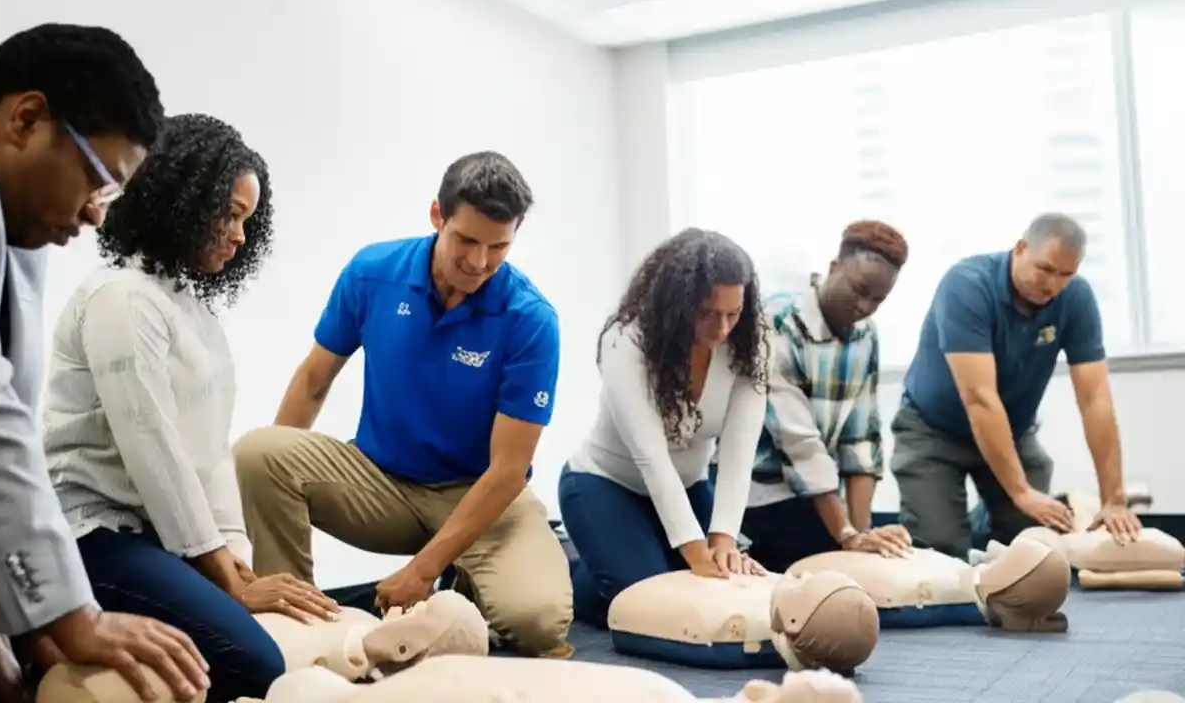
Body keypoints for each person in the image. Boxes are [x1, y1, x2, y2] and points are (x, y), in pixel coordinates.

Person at [0, 24, 209, 702]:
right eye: (98, 181)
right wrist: (72, 617)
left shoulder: (9, 216)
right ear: (27, 119)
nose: (98, 217)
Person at [40, 113, 338, 702]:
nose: (239, 235)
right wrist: (224, 579)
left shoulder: (194, 313)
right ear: (181, 198)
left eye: (248, 220)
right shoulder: (121, 298)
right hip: (91, 534)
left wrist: (238, 560)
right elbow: (157, 455)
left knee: (256, 640)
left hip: (153, 535)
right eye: (229, 212)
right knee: (251, 660)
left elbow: (208, 456)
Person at [232, 151, 573, 658]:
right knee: (260, 452)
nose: (479, 262)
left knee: (539, 622)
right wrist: (269, 484)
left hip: (479, 492)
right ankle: (296, 625)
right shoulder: (373, 273)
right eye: (467, 240)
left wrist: (423, 570)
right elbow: (312, 381)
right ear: (438, 216)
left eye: (498, 247)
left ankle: (465, 583)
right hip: (381, 484)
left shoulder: (529, 318)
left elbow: (508, 469)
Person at [892, 213, 1142, 561]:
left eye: (1065, 274)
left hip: (1011, 429)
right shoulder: (967, 285)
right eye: (1045, 269)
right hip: (934, 431)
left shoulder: (1076, 299)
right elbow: (979, 398)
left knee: (1032, 544)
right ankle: (974, 521)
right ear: (1021, 248)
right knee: (942, 550)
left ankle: (990, 519)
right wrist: (1020, 491)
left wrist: (1113, 500)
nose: (1052, 285)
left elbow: (1094, 398)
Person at [558, 228, 770, 628]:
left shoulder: (750, 344)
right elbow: (650, 458)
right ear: (678, 304)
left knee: (723, 577)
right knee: (652, 601)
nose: (722, 328)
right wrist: (695, 554)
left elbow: (740, 453)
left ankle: (620, 554)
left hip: (688, 489)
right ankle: (564, 575)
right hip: (604, 483)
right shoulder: (626, 339)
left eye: (733, 313)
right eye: (707, 313)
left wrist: (722, 540)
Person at [741, 221, 914, 573]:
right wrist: (848, 536)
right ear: (834, 268)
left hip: (813, 498)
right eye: (860, 290)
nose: (865, 306)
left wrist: (862, 534)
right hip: (756, 498)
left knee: (885, 554)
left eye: (878, 300)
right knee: (845, 574)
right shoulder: (775, 324)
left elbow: (861, 438)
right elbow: (801, 444)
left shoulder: (866, 335)